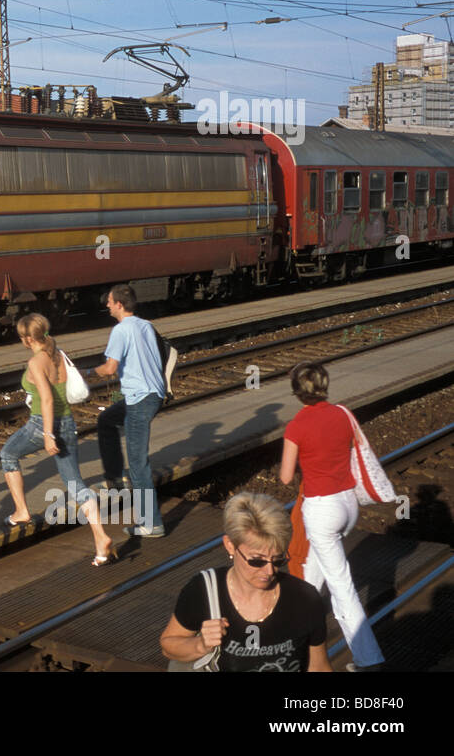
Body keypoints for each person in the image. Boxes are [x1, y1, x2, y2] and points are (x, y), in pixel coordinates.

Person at [279, 361, 385, 671]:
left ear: (297, 391)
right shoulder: (343, 414)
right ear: (324, 385)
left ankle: (369, 659)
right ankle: (289, 640)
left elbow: (286, 477)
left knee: (341, 588)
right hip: (348, 505)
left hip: (322, 510)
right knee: (308, 581)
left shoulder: (296, 425)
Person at [160, 492, 330, 672]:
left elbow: (318, 666)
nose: (269, 571)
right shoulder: (204, 590)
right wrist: (200, 645)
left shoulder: (305, 598)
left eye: (278, 560)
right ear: (230, 545)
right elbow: (168, 645)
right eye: (257, 560)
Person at [0, 314, 116, 565]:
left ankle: (21, 511)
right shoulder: (58, 353)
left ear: (29, 338)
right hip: (68, 422)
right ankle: (101, 537)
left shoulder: (36, 362)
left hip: (43, 423)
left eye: (22, 337)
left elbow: (48, 399)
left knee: (8, 454)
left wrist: (48, 435)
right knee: (75, 483)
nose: (21, 341)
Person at [92, 283, 167, 537]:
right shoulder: (146, 325)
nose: (107, 305)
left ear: (120, 305)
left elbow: (110, 368)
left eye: (110, 302)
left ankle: (151, 523)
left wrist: (87, 373)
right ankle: (114, 477)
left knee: (138, 463)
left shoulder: (121, 330)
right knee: (107, 420)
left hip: (140, 399)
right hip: (153, 394)